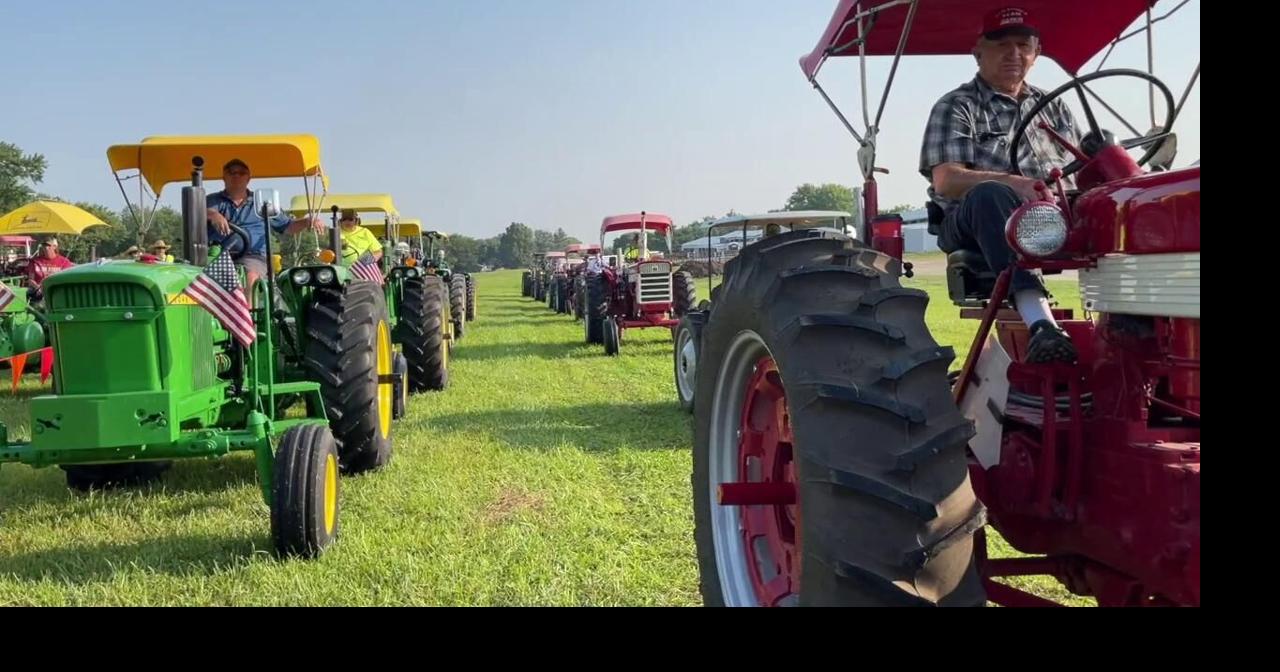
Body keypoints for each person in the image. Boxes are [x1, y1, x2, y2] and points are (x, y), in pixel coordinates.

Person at [920, 7, 1082, 364]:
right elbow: (946, 180)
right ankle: (1041, 324)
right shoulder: (957, 106)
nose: (1014, 54)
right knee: (991, 194)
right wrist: (1016, 184)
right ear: (978, 52)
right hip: (973, 222)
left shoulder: (1053, 107)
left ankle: (1141, 325)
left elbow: (1083, 170)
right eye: (1002, 44)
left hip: (1053, 217)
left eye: (1023, 45)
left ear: (1036, 53)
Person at [206, 158, 325, 300]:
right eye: (231, 172)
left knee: (249, 277)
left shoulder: (263, 202)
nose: (236, 176)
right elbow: (196, 213)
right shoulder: (211, 201)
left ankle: (246, 318)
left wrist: (307, 221)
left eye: (241, 173)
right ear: (223, 177)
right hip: (216, 255)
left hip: (252, 255)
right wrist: (212, 214)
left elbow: (288, 226)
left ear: (248, 178)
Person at [26, 236, 75, 301]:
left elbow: (67, 280)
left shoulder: (64, 262)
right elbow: (30, 280)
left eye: (47, 245)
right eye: (43, 245)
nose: (45, 247)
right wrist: (38, 288)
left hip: (58, 293)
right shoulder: (34, 261)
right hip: (39, 294)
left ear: (54, 247)